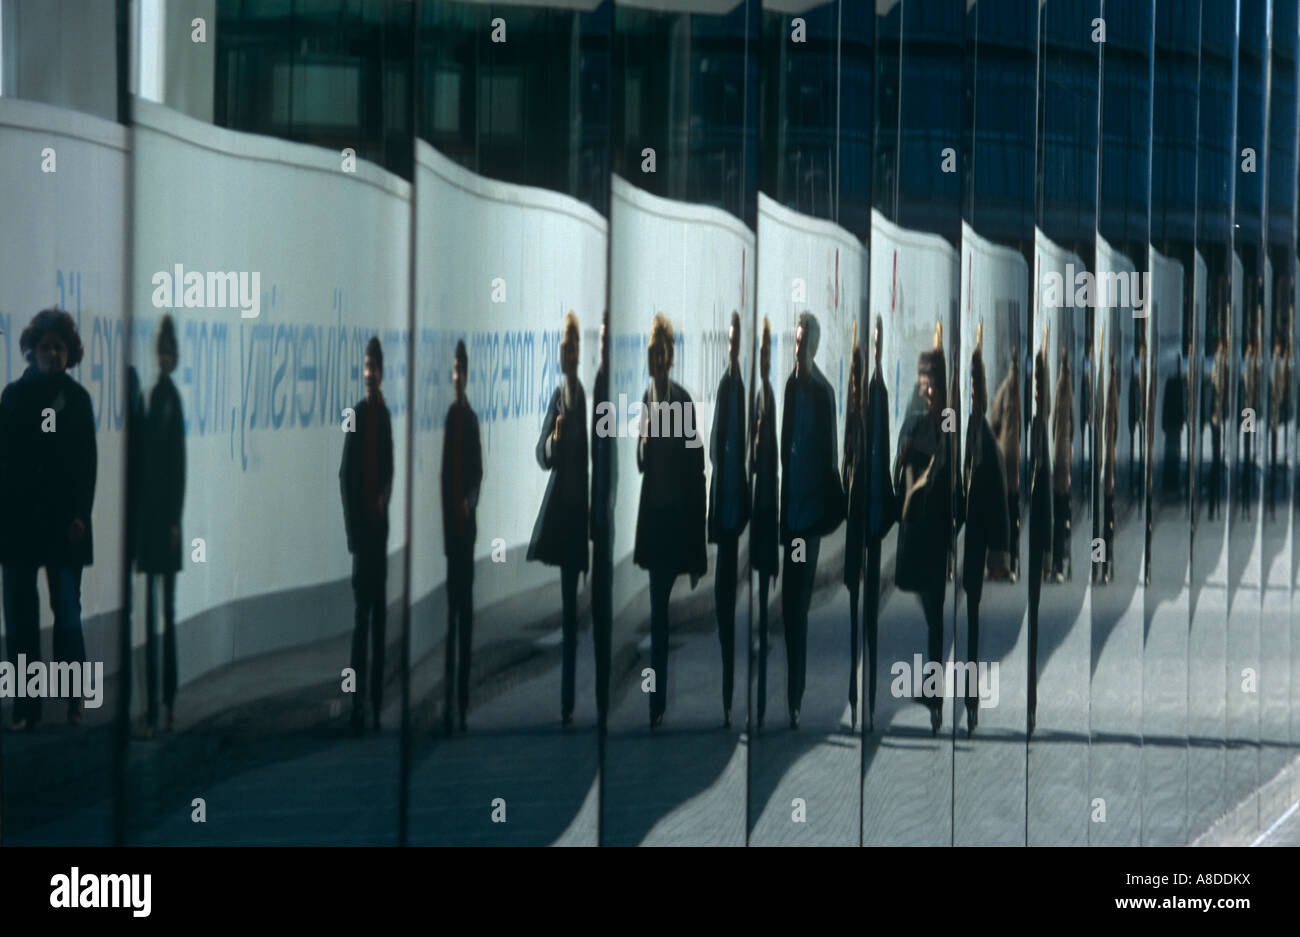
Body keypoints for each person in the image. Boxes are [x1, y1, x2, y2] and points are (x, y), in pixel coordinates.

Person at [0, 308, 97, 730]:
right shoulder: (13, 398)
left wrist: (80, 513)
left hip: (64, 525)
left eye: (59, 348)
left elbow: (86, 465)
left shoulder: (76, 401)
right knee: (20, 619)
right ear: (31, 351)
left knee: (67, 614)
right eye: (45, 347)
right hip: (19, 523)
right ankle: (26, 707)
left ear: (68, 353)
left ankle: (74, 697)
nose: (52, 354)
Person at [634, 314, 706, 730]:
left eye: (662, 354)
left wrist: (697, 544)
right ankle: (656, 702)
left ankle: (657, 700)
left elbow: (696, 471)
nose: (657, 362)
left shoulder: (681, 403)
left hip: (673, 521)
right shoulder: (647, 400)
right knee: (657, 614)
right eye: (652, 354)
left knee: (661, 614)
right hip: (654, 524)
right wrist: (643, 443)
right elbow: (642, 462)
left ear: (671, 358)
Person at [779, 311, 843, 730]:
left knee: (797, 603)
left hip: (808, 520)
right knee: (788, 608)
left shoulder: (823, 393)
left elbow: (829, 459)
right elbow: (786, 448)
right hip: (791, 515)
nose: (797, 348)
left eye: (803, 342)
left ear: (814, 347)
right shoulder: (789, 387)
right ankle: (792, 692)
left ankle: (795, 697)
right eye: (795, 341)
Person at [527, 312, 590, 727]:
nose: (569, 357)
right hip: (562, 519)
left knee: (575, 615)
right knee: (569, 610)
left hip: (579, 518)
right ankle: (567, 700)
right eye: (565, 351)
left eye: (573, 351)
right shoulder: (558, 398)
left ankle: (572, 695)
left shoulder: (587, 398)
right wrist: (553, 439)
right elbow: (540, 452)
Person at [893, 325, 949, 736]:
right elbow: (898, 469)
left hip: (936, 531)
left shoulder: (946, 422)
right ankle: (933, 689)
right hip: (921, 529)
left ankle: (935, 693)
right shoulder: (916, 418)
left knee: (934, 613)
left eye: (931, 384)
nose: (926, 390)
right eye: (923, 383)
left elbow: (950, 476)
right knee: (930, 613)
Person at [954, 324, 1009, 735]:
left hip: (972, 541)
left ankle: (969, 700)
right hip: (953, 538)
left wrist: (998, 556)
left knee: (970, 621)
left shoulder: (985, 437)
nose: (973, 392)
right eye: (969, 384)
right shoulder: (957, 431)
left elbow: (997, 500)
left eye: (976, 385)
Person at [339, 336, 394, 736]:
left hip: (379, 534)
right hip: (366, 535)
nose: (370, 373)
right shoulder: (356, 414)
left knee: (376, 622)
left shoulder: (385, 416)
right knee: (364, 621)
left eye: (374, 367)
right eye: (366, 367)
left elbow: (389, 468)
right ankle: (360, 700)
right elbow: (345, 474)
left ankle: (373, 700)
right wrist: (353, 530)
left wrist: (385, 497)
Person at [139, 316, 187, 736]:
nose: (166, 358)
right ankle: (161, 707)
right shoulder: (160, 397)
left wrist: (171, 519)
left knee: (161, 618)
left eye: (170, 352)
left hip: (161, 525)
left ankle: (161, 707)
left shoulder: (163, 399)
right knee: (161, 617)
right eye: (164, 352)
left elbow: (174, 468)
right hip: (160, 525)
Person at [707, 311, 749, 729]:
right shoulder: (726, 385)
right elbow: (717, 449)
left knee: (733, 600)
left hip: (742, 512)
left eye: (735, 340)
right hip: (727, 512)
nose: (731, 346)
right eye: (729, 340)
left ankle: (732, 689)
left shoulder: (744, 388)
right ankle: (727, 689)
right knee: (723, 603)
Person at [441, 339, 482, 733]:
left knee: (463, 617)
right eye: (453, 371)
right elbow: (442, 477)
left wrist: (468, 501)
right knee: (453, 620)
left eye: (459, 371)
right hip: (454, 537)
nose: (456, 377)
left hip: (464, 535)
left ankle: (462, 698)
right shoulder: (453, 418)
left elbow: (477, 472)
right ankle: (452, 699)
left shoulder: (467, 420)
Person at [861, 315, 895, 733]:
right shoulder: (865, 392)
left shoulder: (880, 391)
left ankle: (867, 695)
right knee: (861, 599)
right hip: (860, 514)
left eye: (876, 343)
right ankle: (861, 695)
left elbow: (882, 451)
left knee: (869, 608)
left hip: (871, 517)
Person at [750, 317, 780, 730]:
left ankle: (761, 627)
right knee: (759, 566)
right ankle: (759, 627)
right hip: (761, 497)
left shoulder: (769, 393)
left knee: (763, 566)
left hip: (767, 497)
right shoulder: (762, 394)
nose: (765, 359)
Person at [590, 315, 617, 730]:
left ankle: (602, 690)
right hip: (601, 509)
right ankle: (599, 691)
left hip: (606, 510)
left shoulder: (608, 384)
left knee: (604, 601)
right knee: (600, 602)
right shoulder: (602, 383)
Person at [1026, 345, 1052, 737]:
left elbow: (1043, 489)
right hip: (1029, 531)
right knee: (1032, 623)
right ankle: (1030, 702)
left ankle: (1032, 702)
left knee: (1034, 623)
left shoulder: (1039, 426)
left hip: (1034, 532)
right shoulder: (1035, 424)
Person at [842, 326, 866, 731]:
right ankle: (851, 682)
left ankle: (859, 683)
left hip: (869, 519)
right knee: (851, 602)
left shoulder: (871, 406)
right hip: (852, 521)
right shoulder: (849, 409)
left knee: (864, 610)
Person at [989, 344, 1022, 581]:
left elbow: (995, 420)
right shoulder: (1019, 389)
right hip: (1012, 465)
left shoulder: (1004, 389)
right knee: (1011, 513)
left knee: (1004, 513)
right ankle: (1009, 564)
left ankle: (1003, 563)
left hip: (1007, 463)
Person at [1051, 344, 1073, 581]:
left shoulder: (1059, 388)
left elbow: (1058, 423)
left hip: (1059, 460)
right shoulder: (1066, 390)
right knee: (1062, 514)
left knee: (1058, 515)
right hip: (1063, 460)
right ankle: (1061, 562)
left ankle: (1058, 562)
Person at [1100, 341, 1119, 584]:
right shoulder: (1108, 387)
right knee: (1105, 517)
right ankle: (1104, 563)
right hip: (1104, 460)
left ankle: (1105, 563)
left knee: (1105, 517)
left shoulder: (1108, 387)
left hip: (1106, 461)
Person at [1162, 352, 1186, 497]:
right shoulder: (1175, 382)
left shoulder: (1172, 382)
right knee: (1173, 453)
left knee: (1173, 452)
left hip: (1173, 424)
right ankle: (1172, 483)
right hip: (1173, 424)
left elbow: (1168, 404)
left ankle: (1172, 482)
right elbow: (1172, 404)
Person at [1209, 332, 1228, 520]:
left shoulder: (1217, 363)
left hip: (1216, 418)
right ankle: (1213, 506)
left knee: (1216, 458)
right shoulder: (1220, 363)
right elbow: (1219, 390)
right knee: (1216, 459)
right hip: (1217, 417)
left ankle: (1212, 507)